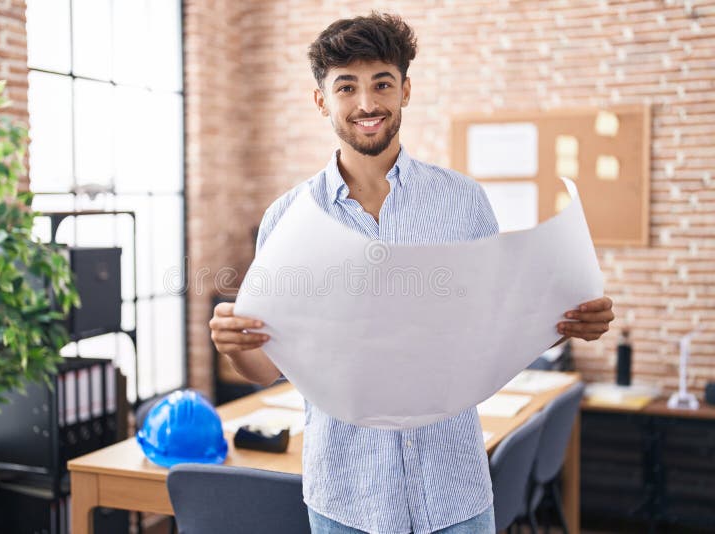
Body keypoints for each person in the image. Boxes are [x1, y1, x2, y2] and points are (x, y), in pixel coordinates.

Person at [209, 12, 614, 534]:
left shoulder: (463, 202)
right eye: (346, 87)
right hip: (346, 498)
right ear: (321, 100)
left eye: (382, 83)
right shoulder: (287, 220)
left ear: (405, 90)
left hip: (454, 492)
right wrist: (235, 344)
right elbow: (269, 369)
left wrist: (565, 318)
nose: (367, 103)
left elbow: (492, 326)